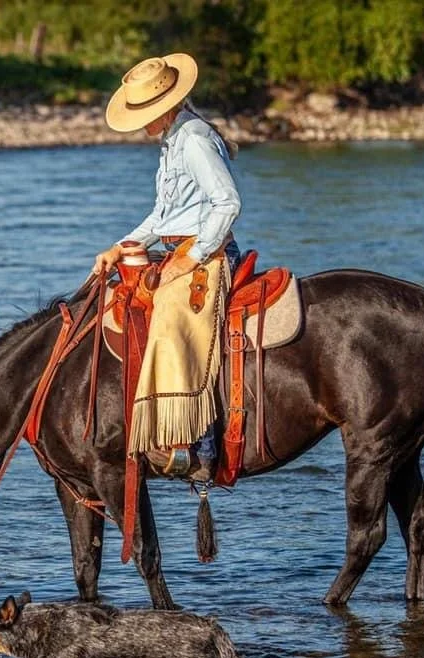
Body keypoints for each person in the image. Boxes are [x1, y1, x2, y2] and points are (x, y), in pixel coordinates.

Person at [94, 53, 242, 481]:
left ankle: (197, 445)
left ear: (164, 107)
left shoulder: (193, 139)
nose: (140, 122)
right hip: (181, 248)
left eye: (144, 113)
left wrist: (193, 258)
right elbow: (164, 218)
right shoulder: (173, 139)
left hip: (207, 253)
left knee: (171, 319)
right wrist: (122, 246)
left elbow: (227, 202)